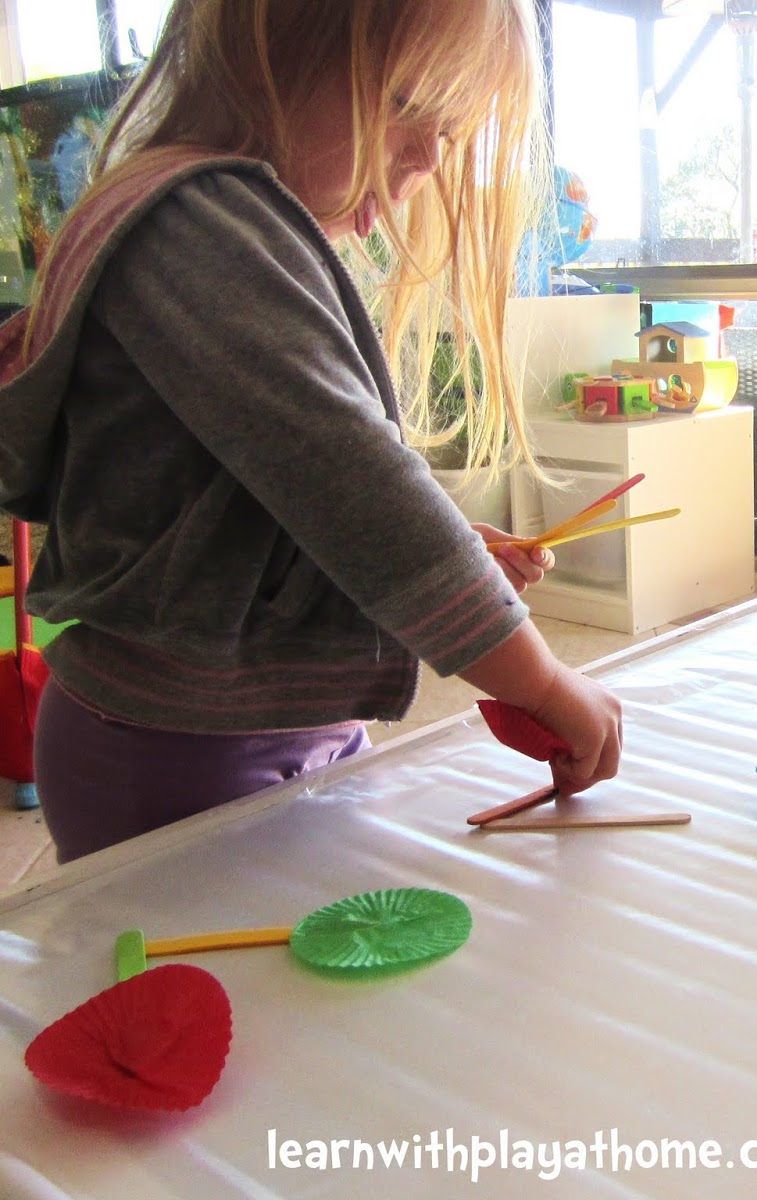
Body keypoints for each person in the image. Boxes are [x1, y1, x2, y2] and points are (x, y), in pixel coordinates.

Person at [0, 0, 622, 862]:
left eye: (448, 131)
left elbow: (277, 513)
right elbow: (360, 488)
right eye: (408, 103)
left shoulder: (220, 222)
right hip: (177, 753)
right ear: (277, 49)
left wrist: (452, 557)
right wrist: (543, 680)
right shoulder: (201, 218)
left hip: (272, 732)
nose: (426, 161)